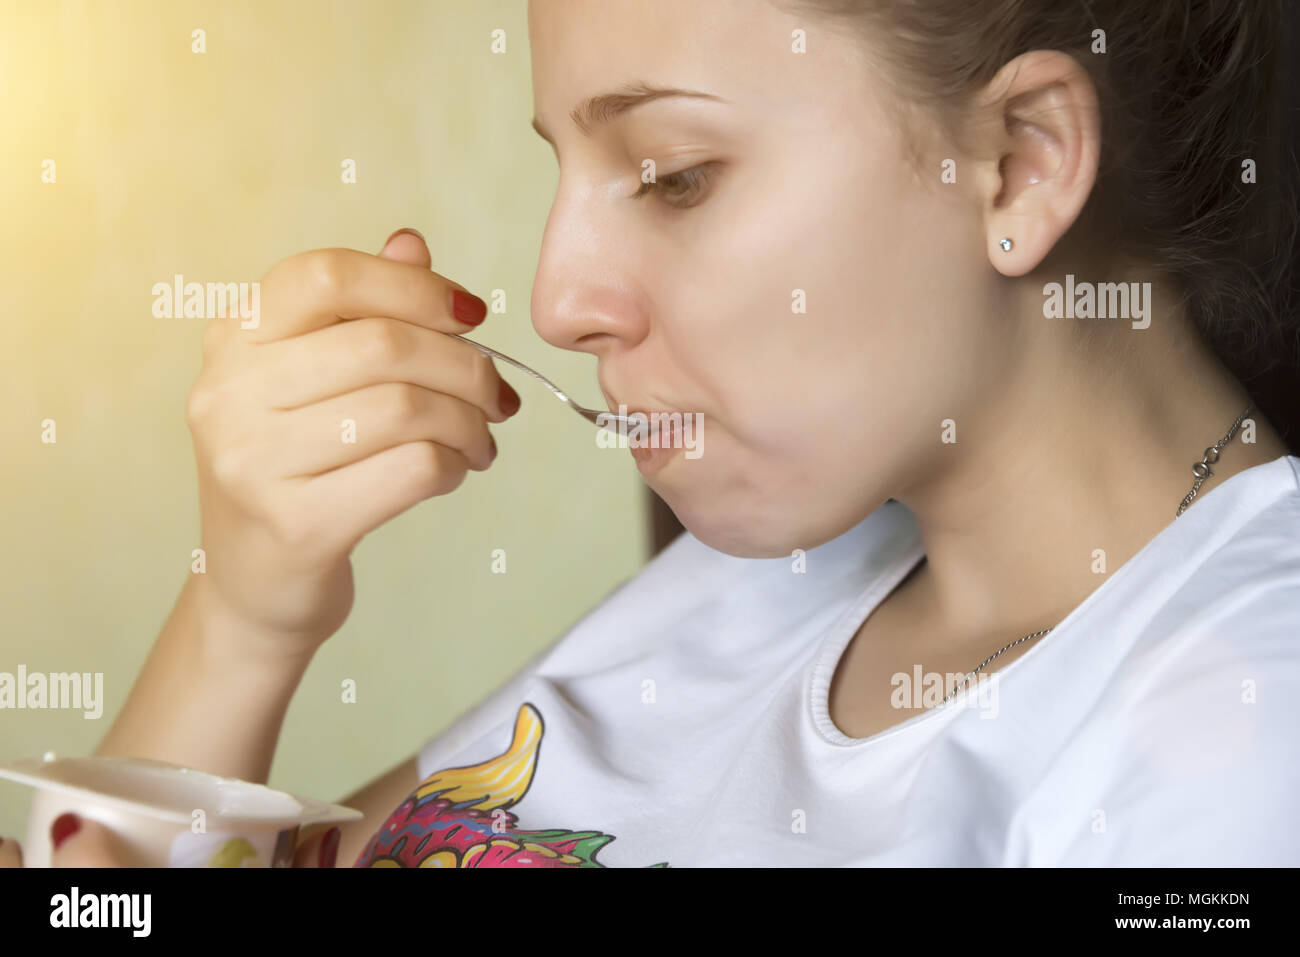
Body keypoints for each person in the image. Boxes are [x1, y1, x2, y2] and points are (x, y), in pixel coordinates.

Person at [4, 0, 1298, 868]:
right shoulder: (762, 576)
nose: (559, 296)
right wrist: (243, 616)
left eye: (674, 173)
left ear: (1017, 164)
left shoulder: (1238, 738)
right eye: (561, 167)